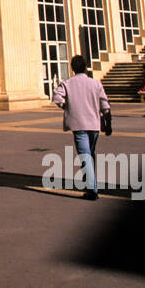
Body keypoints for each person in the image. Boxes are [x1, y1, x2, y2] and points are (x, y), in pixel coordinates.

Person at [51, 55, 111, 200]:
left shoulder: (67, 83)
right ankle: (91, 182)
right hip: (94, 124)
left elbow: (57, 97)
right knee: (90, 153)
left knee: (85, 155)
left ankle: (92, 188)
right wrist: (108, 123)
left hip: (78, 124)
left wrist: (65, 106)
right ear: (85, 67)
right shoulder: (95, 84)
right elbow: (105, 105)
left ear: (72, 68)